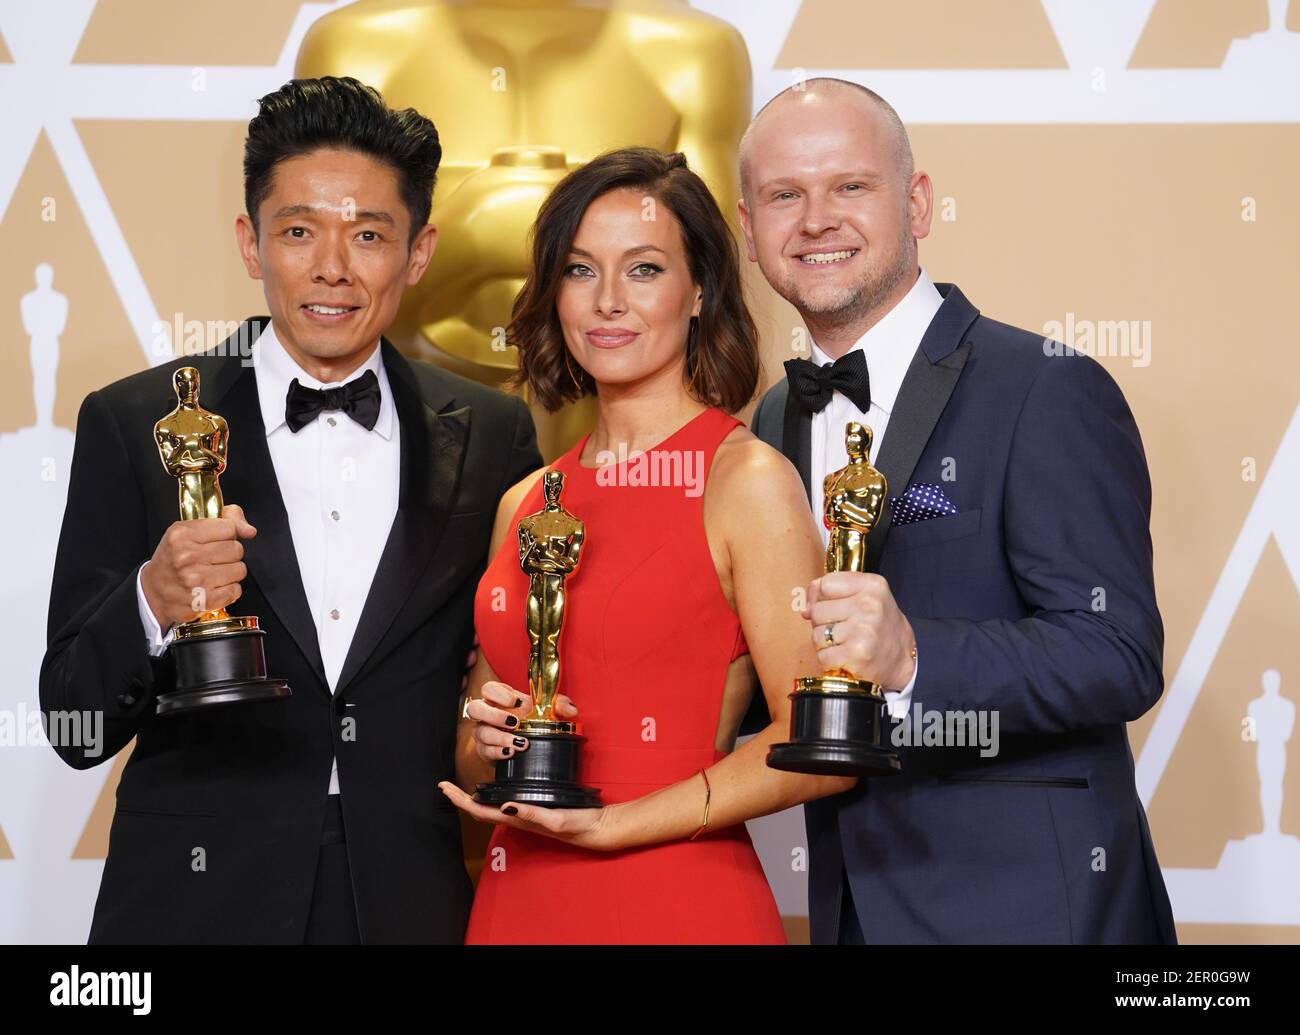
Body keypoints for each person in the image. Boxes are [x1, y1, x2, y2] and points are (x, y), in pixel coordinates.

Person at [39, 76, 542, 944]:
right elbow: (70, 718)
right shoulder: (136, 421)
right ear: (251, 241)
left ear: (417, 253)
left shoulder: (495, 434)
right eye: (300, 230)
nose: (332, 268)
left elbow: (504, 665)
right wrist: (153, 602)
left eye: (369, 234)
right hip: (192, 902)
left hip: (407, 895)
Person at [738, 78, 1177, 944]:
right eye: (785, 194)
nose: (817, 218)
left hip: (1038, 913)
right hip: (853, 909)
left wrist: (913, 655)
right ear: (750, 232)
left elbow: (1120, 653)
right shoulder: (772, 422)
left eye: (850, 186)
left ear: (918, 202)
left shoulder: (1046, 386)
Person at [437, 147, 854, 944]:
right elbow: (472, 745)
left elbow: (817, 747)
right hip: (516, 898)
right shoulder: (524, 502)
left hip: (677, 898)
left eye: (644, 269)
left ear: (699, 290)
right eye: (581, 270)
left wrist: (614, 826)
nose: (608, 302)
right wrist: (482, 739)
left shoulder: (747, 481)